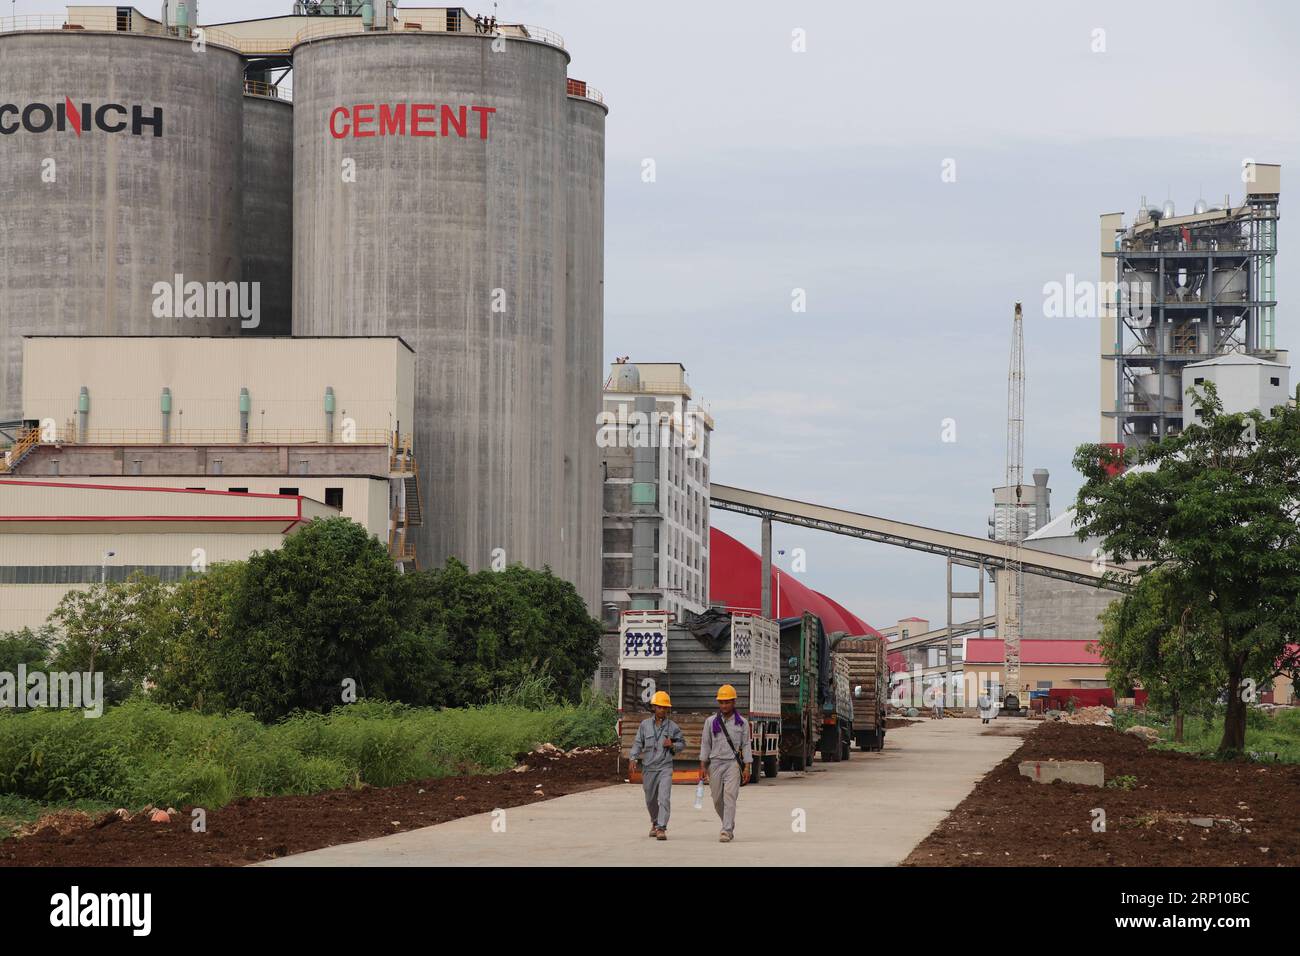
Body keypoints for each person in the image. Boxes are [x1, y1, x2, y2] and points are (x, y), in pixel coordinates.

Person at [628, 690, 685, 840]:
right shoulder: (645, 725)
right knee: (650, 799)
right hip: (648, 767)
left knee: (664, 798)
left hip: (665, 767)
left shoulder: (672, 727)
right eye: (659, 707)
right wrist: (633, 758)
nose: (662, 710)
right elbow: (638, 743)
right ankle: (654, 822)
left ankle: (661, 828)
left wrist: (672, 743)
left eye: (665, 707)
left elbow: (682, 743)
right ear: (654, 707)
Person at [699, 684, 751, 843]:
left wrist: (747, 766)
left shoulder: (742, 723)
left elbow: (746, 745)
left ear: (734, 702)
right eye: (721, 702)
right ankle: (729, 822)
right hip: (714, 764)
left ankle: (726, 830)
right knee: (716, 799)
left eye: (727, 702)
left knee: (730, 797)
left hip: (732, 765)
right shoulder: (710, 722)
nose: (724, 705)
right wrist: (703, 766)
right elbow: (705, 743)